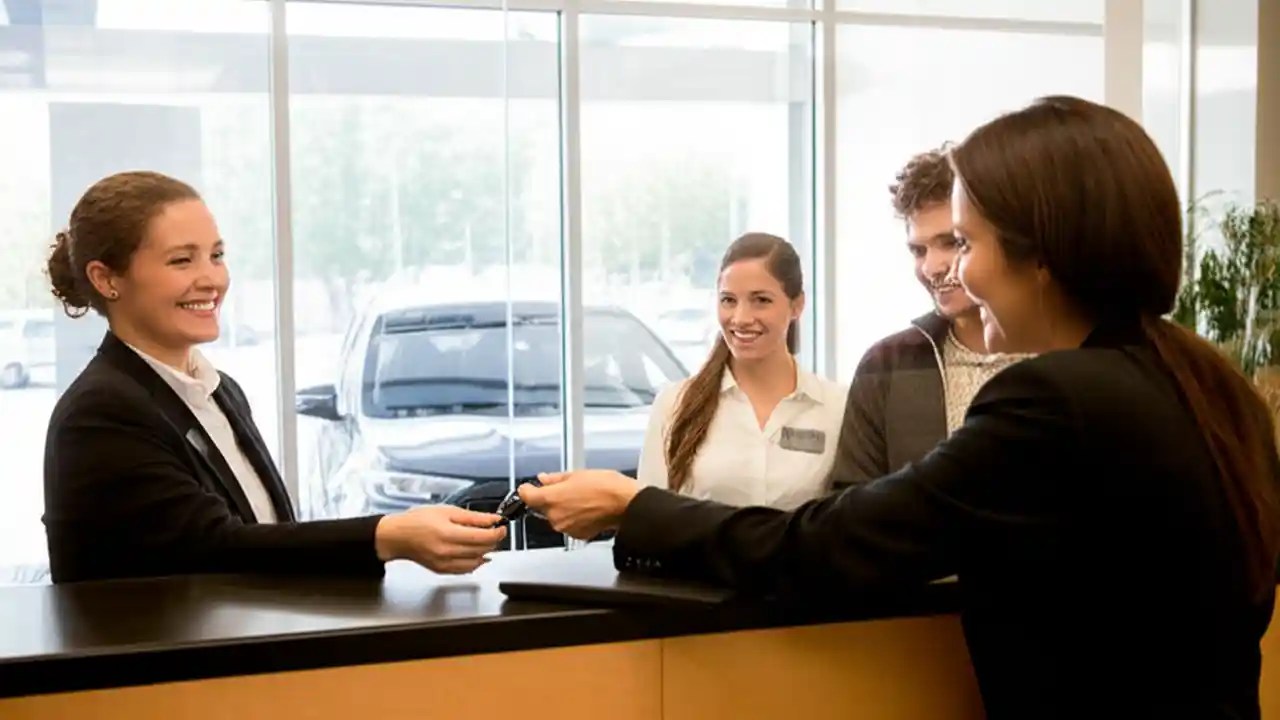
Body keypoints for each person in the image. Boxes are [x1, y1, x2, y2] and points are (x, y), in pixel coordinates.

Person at [518, 97, 1280, 718]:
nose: (956, 276)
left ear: (1042, 255)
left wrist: (633, 507)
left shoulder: (1053, 401)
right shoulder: (1205, 383)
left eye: (968, 245)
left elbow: (825, 547)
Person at [42, 171, 506, 583]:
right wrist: (388, 535)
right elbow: (211, 547)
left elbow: (266, 534)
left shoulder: (220, 391)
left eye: (216, 255)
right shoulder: (102, 413)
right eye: (182, 261)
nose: (212, 280)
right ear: (106, 279)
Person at [834, 146, 1031, 488]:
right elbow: (848, 507)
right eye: (918, 250)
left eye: (952, 243)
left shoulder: (1064, 352)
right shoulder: (887, 365)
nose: (931, 266)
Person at [638, 233, 846, 509]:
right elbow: (648, 520)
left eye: (761, 300)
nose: (741, 318)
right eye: (728, 300)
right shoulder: (674, 405)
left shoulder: (837, 407)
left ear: (797, 305)